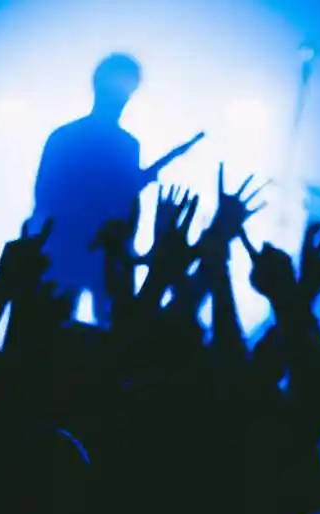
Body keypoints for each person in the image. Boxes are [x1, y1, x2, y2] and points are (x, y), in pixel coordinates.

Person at [31, 53, 203, 325]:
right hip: (73, 251)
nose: (122, 97)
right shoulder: (113, 143)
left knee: (99, 324)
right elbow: (46, 197)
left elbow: (124, 206)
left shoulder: (79, 138)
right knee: (68, 326)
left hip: (95, 253)